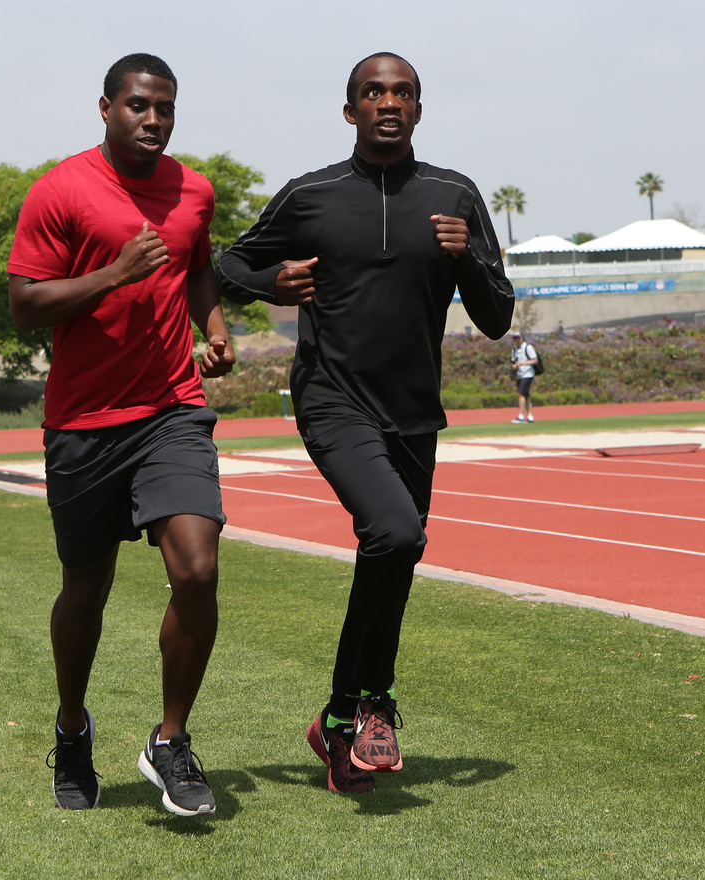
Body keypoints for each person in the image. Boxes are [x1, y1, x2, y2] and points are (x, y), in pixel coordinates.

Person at [217, 51, 513, 794]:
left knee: (395, 554)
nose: (389, 102)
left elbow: (498, 316)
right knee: (394, 531)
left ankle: (343, 720)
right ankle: (370, 704)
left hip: (414, 411)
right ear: (350, 111)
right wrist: (271, 282)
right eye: (373, 92)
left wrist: (467, 261)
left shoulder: (456, 195)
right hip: (332, 398)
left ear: (419, 109)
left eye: (403, 92)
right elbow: (225, 264)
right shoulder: (311, 196)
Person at [7, 53, 234, 816]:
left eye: (165, 108)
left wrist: (214, 324)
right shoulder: (60, 189)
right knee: (86, 588)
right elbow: (25, 304)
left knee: (197, 570)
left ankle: (170, 742)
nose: (154, 121)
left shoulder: (194, 190)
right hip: (83, 423)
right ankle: (72, 728)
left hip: (172, 407)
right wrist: (114, 273)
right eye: (139, 106)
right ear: (105, 107)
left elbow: (199, 266)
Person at [510, 330, 538, 423]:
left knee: (521, 393)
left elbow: (534, 360)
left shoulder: (528, 347)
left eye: (518, 338)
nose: (517, 340)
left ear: (522, 338)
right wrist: (515, 366)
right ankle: (530, 415)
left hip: (528, 373)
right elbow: (514, 361)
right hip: (520, 374)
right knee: (526, 395)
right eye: (515, 339)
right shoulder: (514, 350)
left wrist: (523, 363)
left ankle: (521, 415)